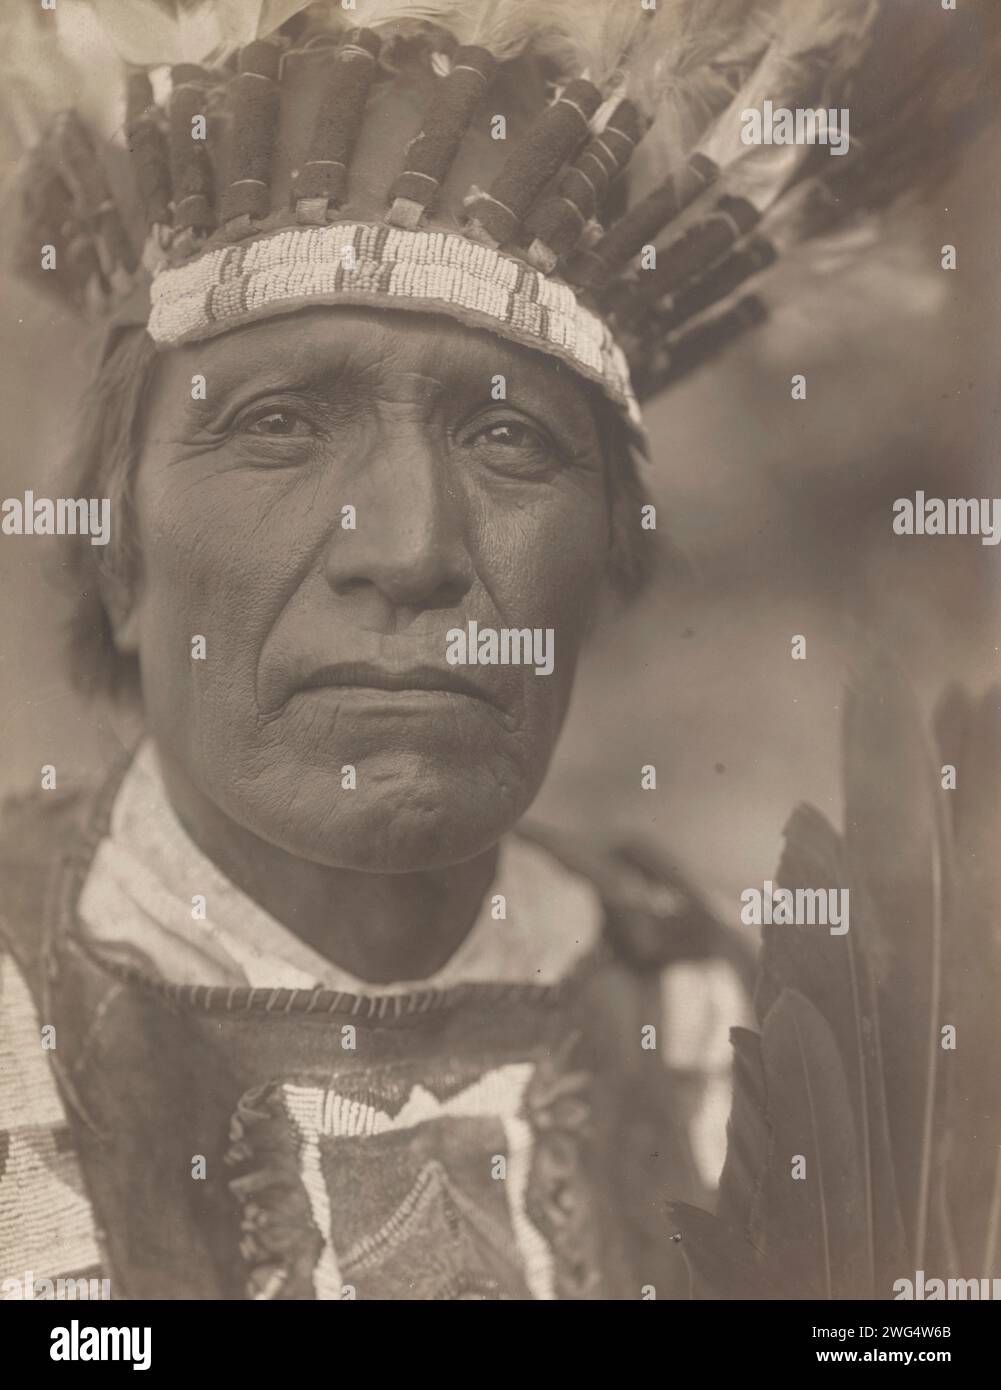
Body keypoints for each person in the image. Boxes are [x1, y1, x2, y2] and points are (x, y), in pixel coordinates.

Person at [1, 0, 990, 1301]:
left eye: (511, 437)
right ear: (121, 561)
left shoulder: (702, 1006)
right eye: (282, 421)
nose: (408, 547)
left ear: (603, 567)